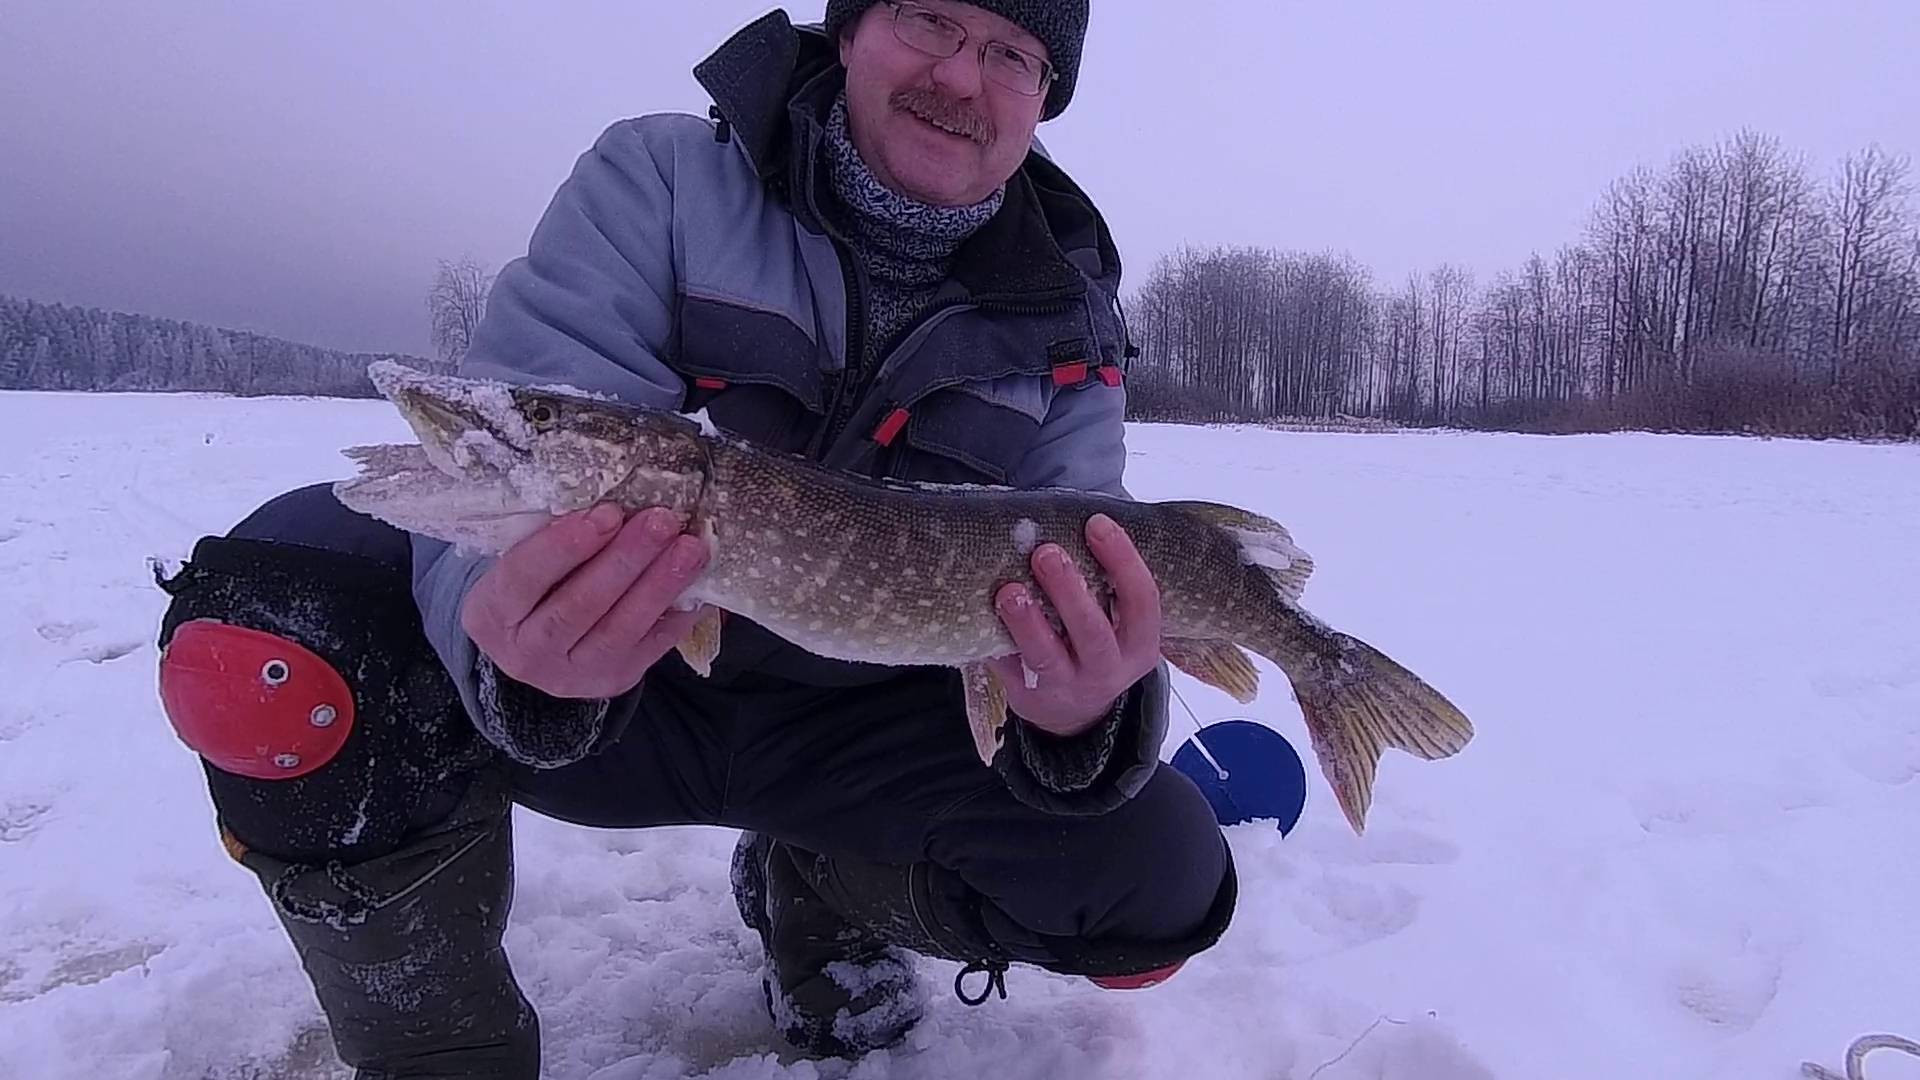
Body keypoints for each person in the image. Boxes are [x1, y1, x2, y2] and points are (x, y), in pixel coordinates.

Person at [154, 2, 1237, 1075]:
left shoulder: (1072, 316)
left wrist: (1076, 715)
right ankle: (445, 1055)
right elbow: (532, 406)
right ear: (849, 29)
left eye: (1013, 54)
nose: (963, 77)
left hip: (865, 737)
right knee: (276, 611)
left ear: (1044, 100)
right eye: (928, 20)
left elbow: (1089, 548)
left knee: (1154, 876)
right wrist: (516, 658)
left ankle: (819, 892)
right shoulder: (659, 181)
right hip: (621, 704)